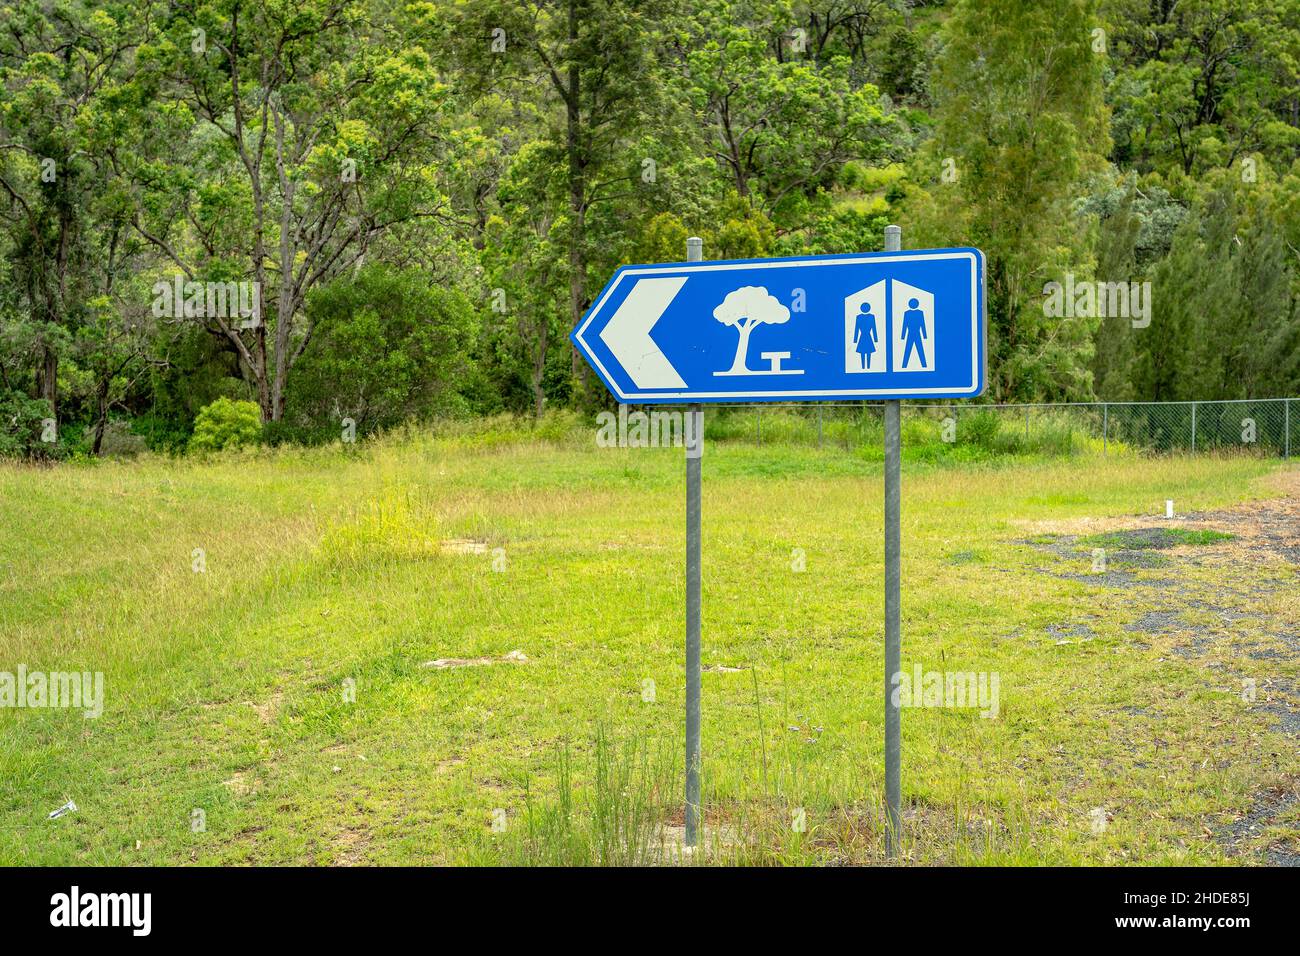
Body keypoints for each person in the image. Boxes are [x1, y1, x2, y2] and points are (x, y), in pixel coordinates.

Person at [900, 297, 927, 369]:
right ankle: (904, 366)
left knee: (920, 349)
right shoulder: (907, 313)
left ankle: (924, 365)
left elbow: (922, 324)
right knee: (907, 349)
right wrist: (903, 336)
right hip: (910, 333)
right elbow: (904, 325)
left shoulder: (920, 313)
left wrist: (924, 335)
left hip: (917, 333)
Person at [853, 306, 878, 371]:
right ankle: (863, 367)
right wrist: (855, 339)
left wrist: (875, 339)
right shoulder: (859, 317)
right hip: (863, 336)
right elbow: (857, 328)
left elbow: (874, 327)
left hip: (867, 336)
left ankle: (868, 367)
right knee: (863, 352)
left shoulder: (871, 316)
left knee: (867, 352)